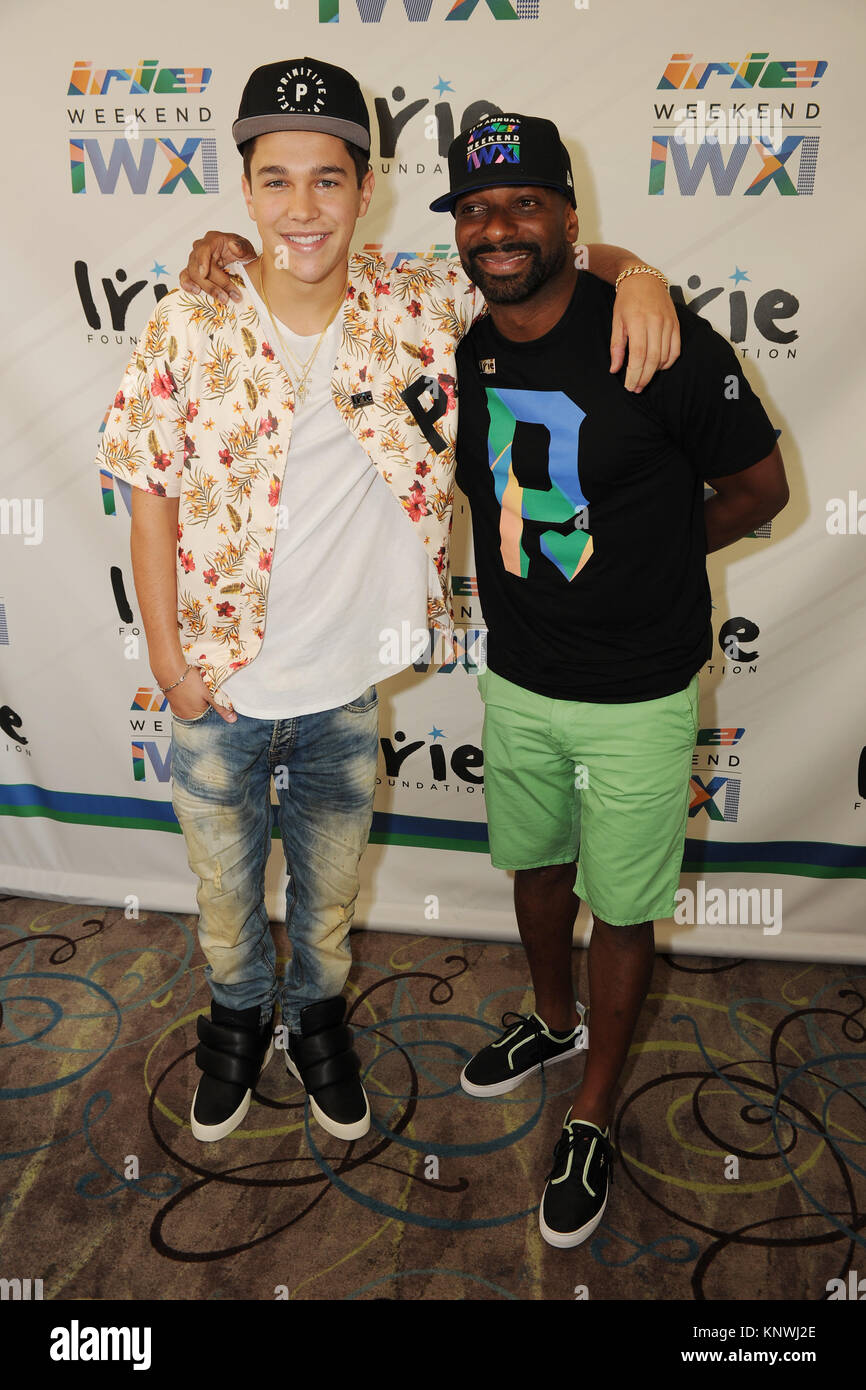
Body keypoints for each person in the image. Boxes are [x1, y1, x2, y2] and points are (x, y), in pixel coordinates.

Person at [98, 57, 678, 1149]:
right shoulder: (189, 319)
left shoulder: (417, 296)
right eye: (275, 181)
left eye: (326, 180)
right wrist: (171, 664)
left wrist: (637, 271)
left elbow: (542, 258)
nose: (301, 207)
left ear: (366, 189)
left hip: (342, 691)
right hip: (215, 685)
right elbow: (148, 505)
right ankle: (232, 1023)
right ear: (244, 187)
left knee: (324, 902)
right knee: (224, 901)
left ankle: (317, 1025)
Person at [424, 113, 788, 1248]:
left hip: (637, 689)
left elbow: (756, 489)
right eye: (476, 210)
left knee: (622, 904)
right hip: (519, 675)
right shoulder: (449, 338)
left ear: (567, 221)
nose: (497, 228)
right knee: (534, 866)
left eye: (522, 204)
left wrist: (649, 560)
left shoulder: (656, 335)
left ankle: (589, 1113)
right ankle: (549, 1018)